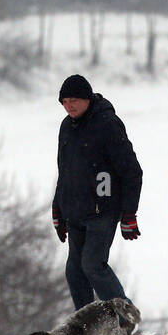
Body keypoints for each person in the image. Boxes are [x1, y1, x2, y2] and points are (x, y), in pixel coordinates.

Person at [51, 74, 143, 310]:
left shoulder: (107, 124)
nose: (68, 105)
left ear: (87, 99)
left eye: (74, 100)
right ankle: (85, 325)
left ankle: (125, 317)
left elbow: (132, 171)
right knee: (74, 271)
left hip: (103, 210)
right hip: (75, 211)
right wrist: (58, 209)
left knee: (92, 264)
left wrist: (129, 214)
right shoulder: (66, 126)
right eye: (64, 101)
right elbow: (65, 173)